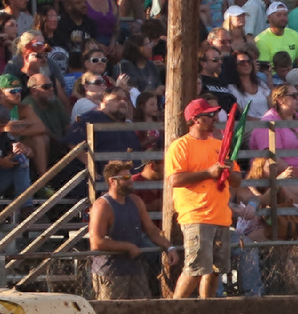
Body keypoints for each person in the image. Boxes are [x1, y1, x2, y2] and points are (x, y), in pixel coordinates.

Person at [165, 97, 234, 299]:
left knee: (214, 271)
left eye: (215, 114)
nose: (215, 118)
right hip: (196, 215)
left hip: (220, 215)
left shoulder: (220, 145)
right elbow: (174, 179)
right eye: (210, 115)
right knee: (195, 269)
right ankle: (174, 310)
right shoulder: (180, 146)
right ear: (196, 119)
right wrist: (208, 173)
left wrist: (231, 170)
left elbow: (237, 180)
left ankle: (207, 310)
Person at [87, 160, 164, 300]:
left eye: (130, 176)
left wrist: (170, 248)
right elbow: (96, 242)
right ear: (112, 181)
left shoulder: (136, 201)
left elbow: (152, 230)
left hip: (136, 269)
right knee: (112, 312)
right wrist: (128, 246)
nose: (131, 181)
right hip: (111, 272)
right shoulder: (102, 206)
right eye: (126, 177)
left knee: (143, 309)